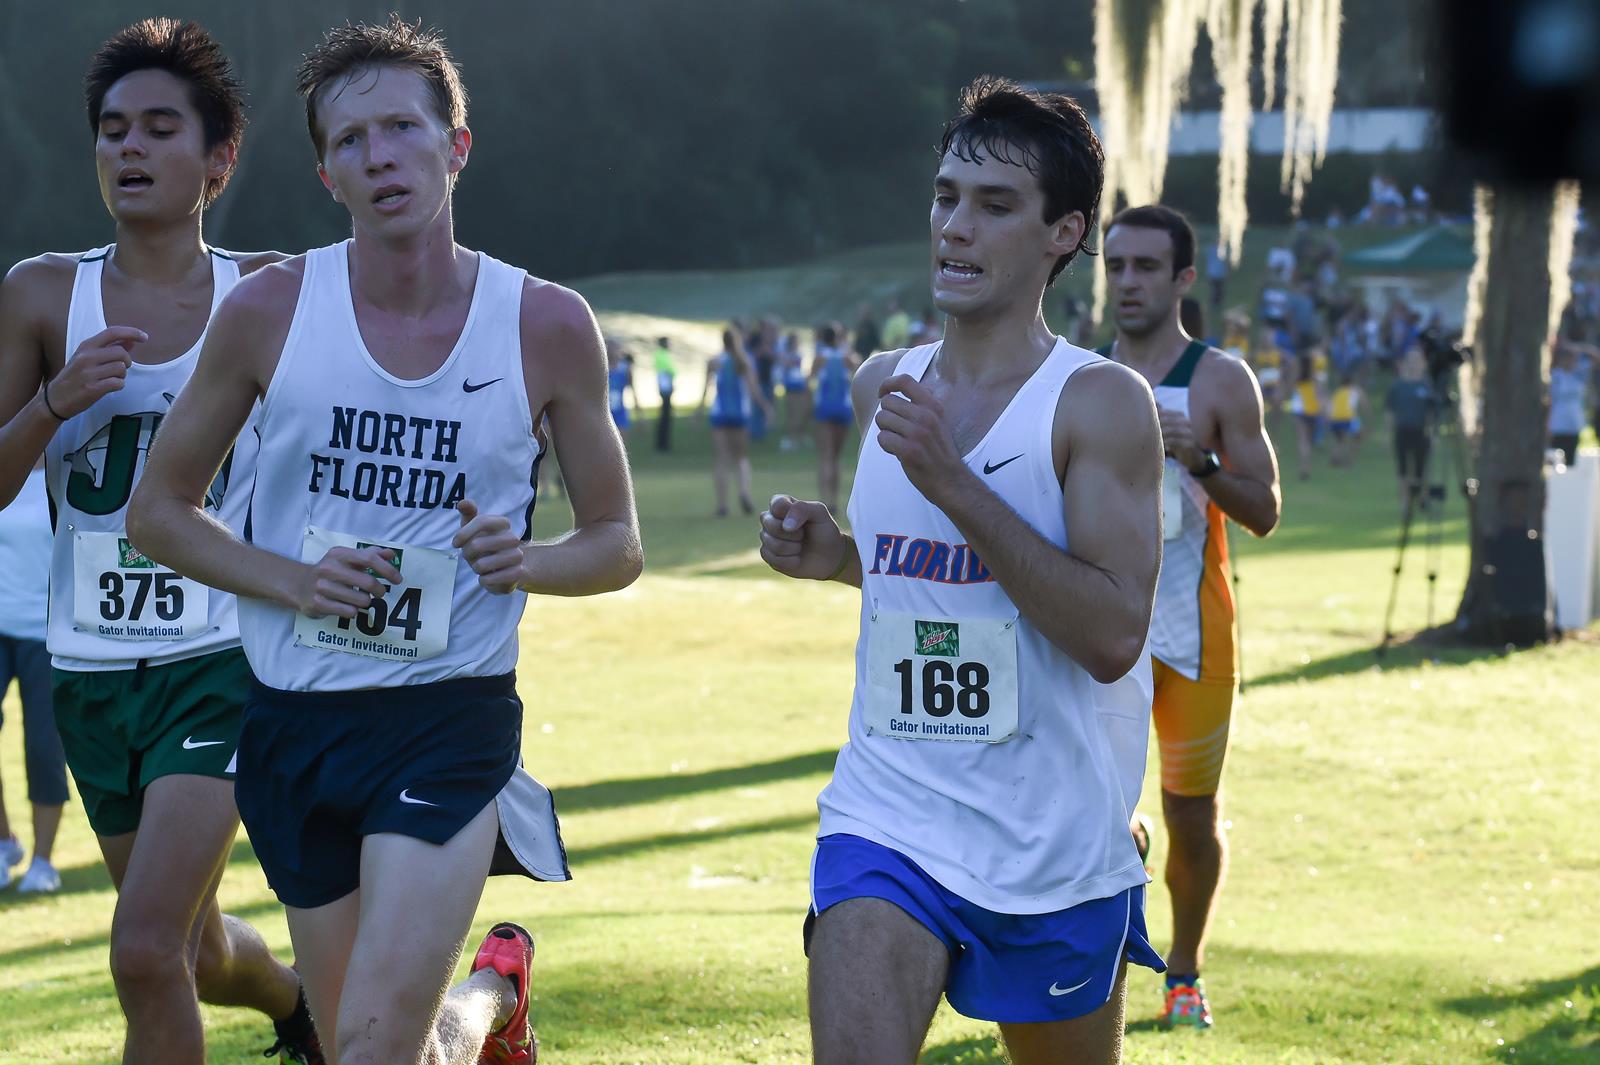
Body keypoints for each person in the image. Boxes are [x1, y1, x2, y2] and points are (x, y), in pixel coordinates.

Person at [126, 17, 642, 1065]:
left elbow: (618, 540)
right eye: (352, 140)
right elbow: (159, 510)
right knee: (367, 1043)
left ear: (456, 145)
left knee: (366, 1048)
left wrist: (529, 562)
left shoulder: (543, 324)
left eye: (403, 128)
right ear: (326, 172)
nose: (381, 156)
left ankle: (479, 1004)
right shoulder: (271, 309)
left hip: (446, 724)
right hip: (294, 727)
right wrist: (293, 581)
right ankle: (492, 1002)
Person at [761, 76, 1166, 1065]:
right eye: (946, 197)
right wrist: (845, 561)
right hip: (887, 818)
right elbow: (939, 580)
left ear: (1063, 233)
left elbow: (1112, 635)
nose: (956, 227)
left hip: (1050, 840)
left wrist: (953, 483)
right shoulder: (883, 384)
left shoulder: (1097, 403)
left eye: (994, 206)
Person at [0, 20, 322, 1063]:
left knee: (141, 952)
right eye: (110, 130)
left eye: (156, 128)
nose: (126, 149)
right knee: (188, 948)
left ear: (218, 159)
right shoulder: (43, 293)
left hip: (225, 659)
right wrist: (54, 400)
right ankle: (297, 1007)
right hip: (89, 671)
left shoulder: (272, 293)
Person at [1101, 203, 1282, 1031]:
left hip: (1197, 632)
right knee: (1099, 808)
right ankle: (1095, 969)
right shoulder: (1077, 373)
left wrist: (1198, 456)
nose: (1128, 282)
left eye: (1145, 267)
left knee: (1191, 817)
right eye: (1116, 266)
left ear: (1182, 277)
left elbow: (1267, 508)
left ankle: (1185, 970)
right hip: (1104, 629)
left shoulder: (1218, 379)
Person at [0, 458, 67, 894]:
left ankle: (43, 862)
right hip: (0, 628)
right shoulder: (6, 471)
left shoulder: (67, 471)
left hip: (48, 634)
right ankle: (5, 843)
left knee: (44, 746)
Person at [699, 326, 771, 517]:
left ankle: (722, 505)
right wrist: (766, 408)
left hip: (720, 414)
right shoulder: (745, 361)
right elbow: (754, 390)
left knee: (721, 459)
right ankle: (744, 492)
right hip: (740, 414)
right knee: (741, 458)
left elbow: (706, 389)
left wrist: (699, 410)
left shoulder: (715, 361)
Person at [811, 323, 858, 512]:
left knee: (826, 456)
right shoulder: (847, 357)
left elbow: (811, 378)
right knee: (836, 457)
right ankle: (834, 502)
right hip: (843, 409)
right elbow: (858, 371)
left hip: (824, 409)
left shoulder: (820, 357)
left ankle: (824, 500)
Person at [779, 329, 812, 452]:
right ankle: (792, 438)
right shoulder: (785, 354)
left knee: (804, 410)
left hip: (800, 383)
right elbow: (785, 364)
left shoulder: (799, 353)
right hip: (790, 385)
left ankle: (801, 435)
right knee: (792, 412)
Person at [606, 338, 639, 441]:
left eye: (615, 348)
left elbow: (632, 389)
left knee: (621, 444)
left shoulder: (625, 369)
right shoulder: (601, 368)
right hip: (604, 411)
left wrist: (640, 414)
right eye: (609, 348)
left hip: (620, 411)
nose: (612, 351)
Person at [1328, 372, 1364, 468]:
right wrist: (1369, 417)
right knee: (1356, 438)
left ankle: (1336, 457)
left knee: (1339, 439)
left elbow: (1330, 407)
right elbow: (1364, 403)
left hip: (1334, 418)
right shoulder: (1354, 391)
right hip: (1348, 418)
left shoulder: (1337, 392)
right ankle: (1349, 460)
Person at [653, 335, 677, 452]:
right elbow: (670, 370)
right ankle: (663, 445)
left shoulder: (661, 355)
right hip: (665, 388)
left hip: (665, 387)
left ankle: (663, 444)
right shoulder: (662, 355)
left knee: (665, 416)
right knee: (665, 417)